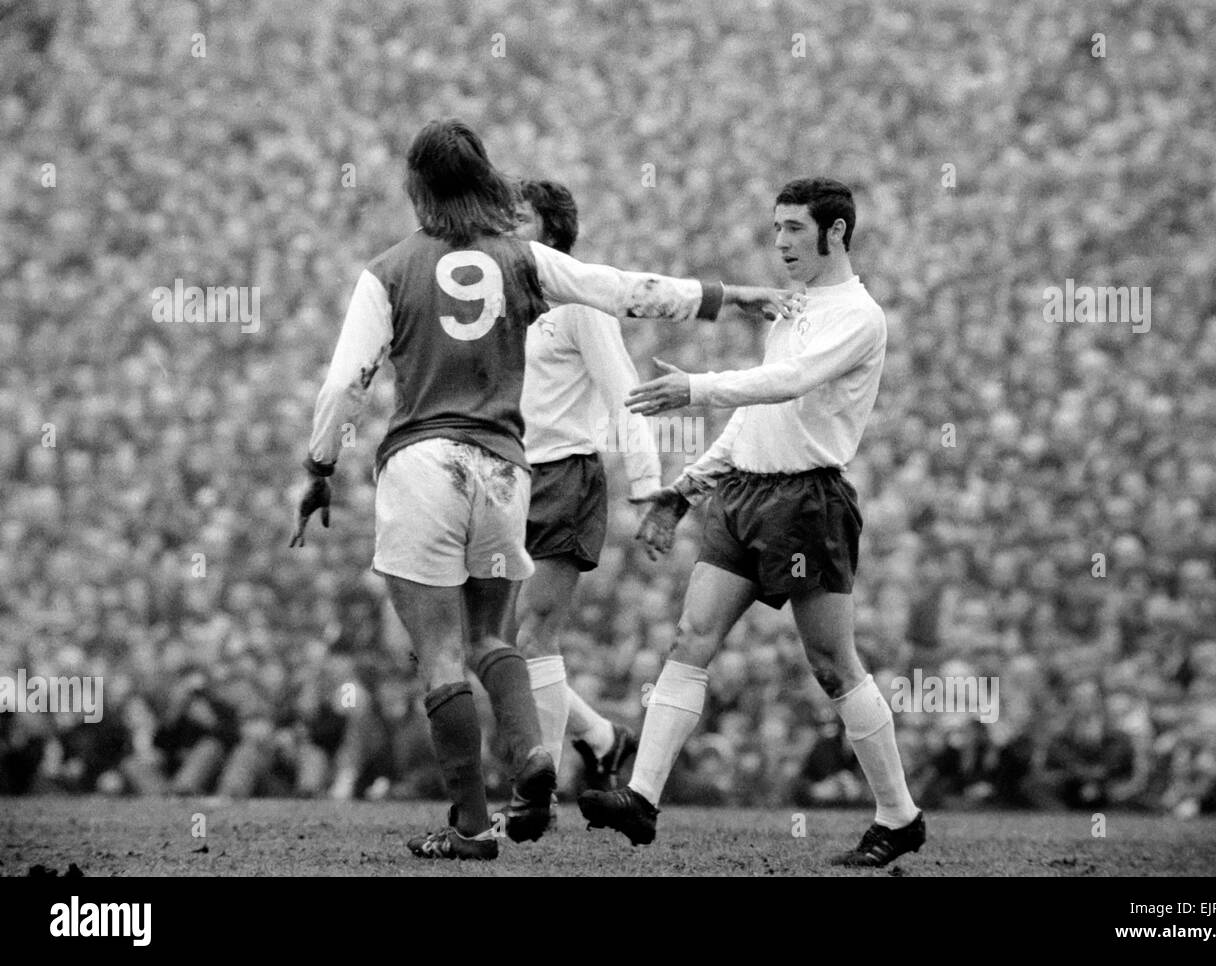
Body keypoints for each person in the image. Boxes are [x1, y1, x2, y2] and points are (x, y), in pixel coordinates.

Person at [290, 118, 796, 861]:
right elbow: (624, 291)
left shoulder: (389, 270)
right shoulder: (525, 259)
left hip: (424, 463)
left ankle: (467, 826)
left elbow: (343, 384)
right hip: (505, 468)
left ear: (417, 187)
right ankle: (532, 753)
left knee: (438, 652)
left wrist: (320, 466)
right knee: (494, 636)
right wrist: (725, 296)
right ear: (487, 179)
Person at [578, 177, 926, 868]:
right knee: (690, 635)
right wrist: (683, 491)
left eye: (795, 229)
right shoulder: (789, 309)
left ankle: (899, 815)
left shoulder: (859, 316)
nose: (780, 243)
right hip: (743, 495)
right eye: (776, 229)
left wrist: (694, 387)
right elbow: (754, 413)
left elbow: (790, 382)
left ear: (836, 234)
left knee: (831, 663)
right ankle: (642, 798)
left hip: (808, 502)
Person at [509, 179, 651, 800]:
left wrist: (649, 486)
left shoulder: (581, 303)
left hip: (566, 475)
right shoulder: (497, 302)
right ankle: (599, 738)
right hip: (505, 476)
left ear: (551, 232)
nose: (504, 228)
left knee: (532, 633)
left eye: (518, 219)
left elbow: (627, 393)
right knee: (485, 644)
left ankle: (534, 792)